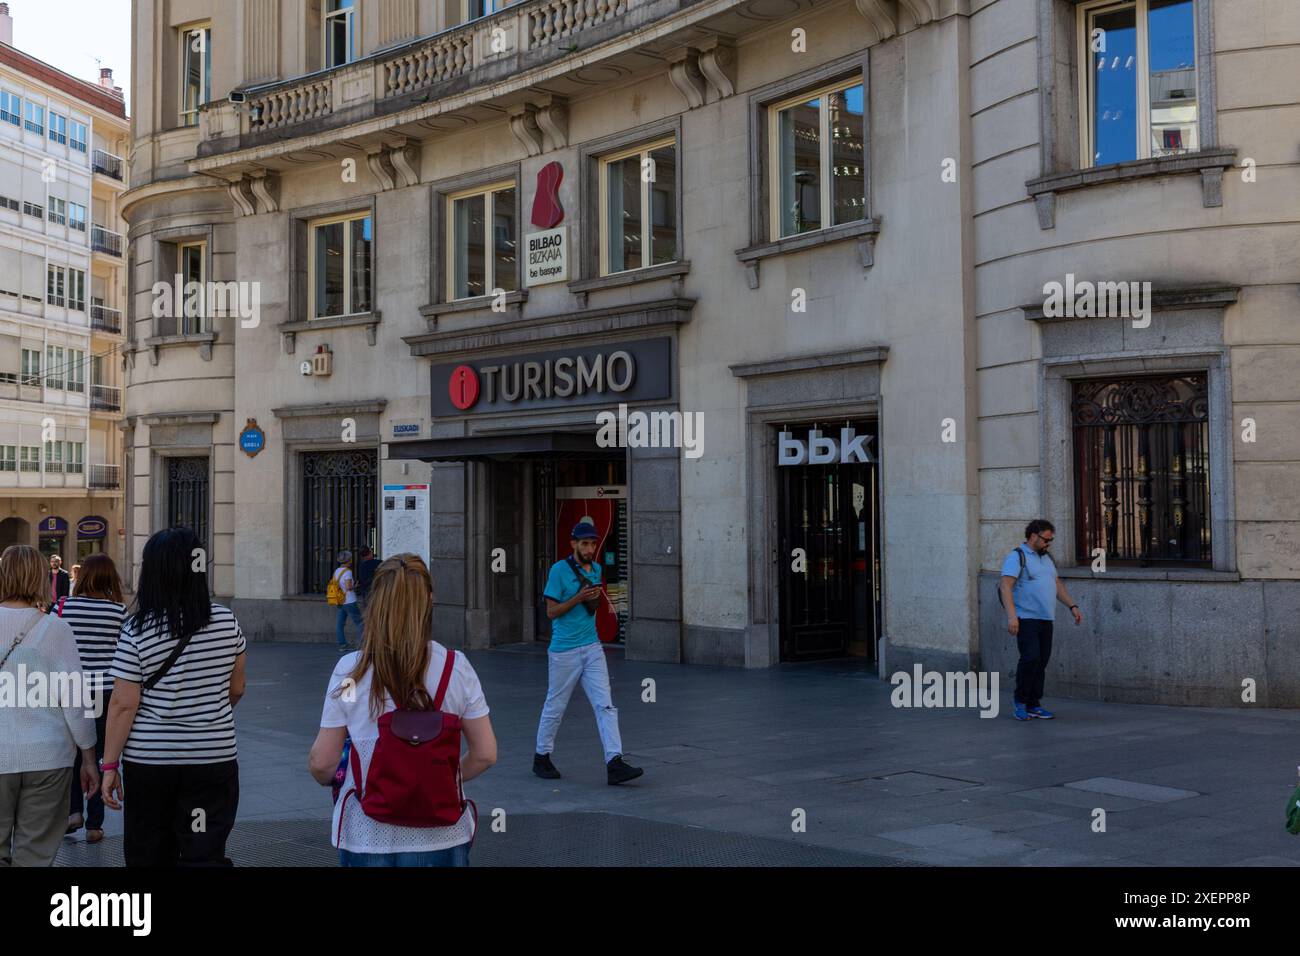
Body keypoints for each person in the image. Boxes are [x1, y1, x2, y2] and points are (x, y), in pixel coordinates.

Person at [308, 553, 497, 867]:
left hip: (366, 834)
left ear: (375, 603)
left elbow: (322, 763)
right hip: (444, 836)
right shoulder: (457, 668)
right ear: (430, 601)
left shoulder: (350, 672)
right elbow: (486, 754)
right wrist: (437, 780)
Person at [100, 527, 247, 866]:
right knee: (204, 852)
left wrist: (109, 765)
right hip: (213, 760)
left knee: (150, 851)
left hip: (151, 764)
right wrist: (206, 713)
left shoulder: (137, 629)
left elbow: (123, 704)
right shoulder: (225, 622)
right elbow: (237, 688)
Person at [0, 545, 98, 866]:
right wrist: (88, 757)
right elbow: (76, 701)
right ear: (41, 578)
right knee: (35, 854)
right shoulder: (56, 629)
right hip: (49, 759)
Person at [533, 522, 643, 786]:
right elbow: (551, 612)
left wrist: (588, 599)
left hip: (592, 647)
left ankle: (614, 761)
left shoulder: (596, 570)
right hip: (564, 650)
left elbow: (592, 606)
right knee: (556, 705)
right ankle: (541, 756)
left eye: (593, 543)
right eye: (584, 543)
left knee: (605, 704)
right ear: (573, 544)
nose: (590, 548)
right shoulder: (559, 570)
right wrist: (579, 598)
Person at [60, 553, 126, 845]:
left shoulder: (63, 607)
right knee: (101, 755)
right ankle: (95, 825)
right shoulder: (118, 611)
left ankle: (74, 812)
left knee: (73, 752)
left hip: (71, 688)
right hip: (105, 691)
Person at [999, 519, 1083, 721]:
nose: (1049, 543)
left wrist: (1072, 605)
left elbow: (1056, 584)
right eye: (1046, 539)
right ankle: (1020, 702)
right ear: (1034, 536)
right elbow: (1005, 587)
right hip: (1026, 618)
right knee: (1030, 658)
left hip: (1046, 618)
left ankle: (1033, 704)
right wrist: (1012, 617)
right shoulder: (1017, 557)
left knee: (1041, 661)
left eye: (1051, 540)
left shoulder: (1046, 558)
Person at [331, 551, 363, 653]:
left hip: (341, 601)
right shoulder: (348, 572)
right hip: (350, 601)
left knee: (340, 624)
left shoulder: (337, 571)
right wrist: (356, 585)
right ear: (348, 560)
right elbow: (349, 587)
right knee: (360, 623)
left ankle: (343, 645)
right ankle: (362, 644)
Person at [354, 546, 381, 614]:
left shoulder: (361, 565)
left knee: (368, 613)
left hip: (365, 592)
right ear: (369, 553)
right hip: (374, 592)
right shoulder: (377, 563)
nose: (372, 552)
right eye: (371, 551)